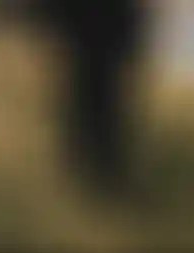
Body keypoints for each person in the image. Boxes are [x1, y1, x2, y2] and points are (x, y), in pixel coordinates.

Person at [40, 0, 147, 190]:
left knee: (94, 84)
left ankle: (95, 162)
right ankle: (99, 166)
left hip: (96, 20)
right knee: (96, 84)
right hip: (98, 18)